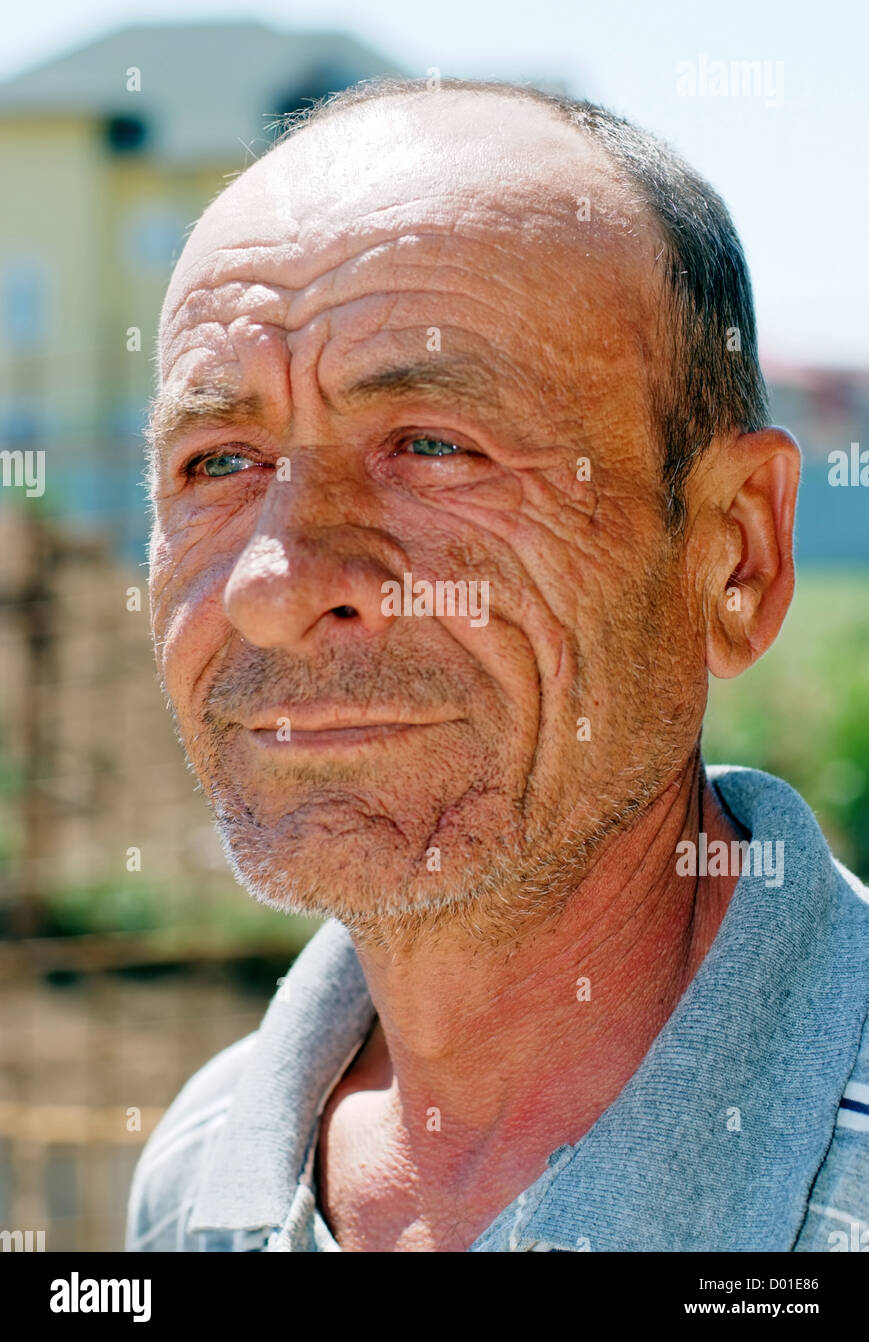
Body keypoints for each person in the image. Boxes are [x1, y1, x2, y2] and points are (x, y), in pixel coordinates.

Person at [126, 79, 869, 1253]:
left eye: (430, 448)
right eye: (218, 462)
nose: (271, 587)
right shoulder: (193, 1176)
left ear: (732, 554)